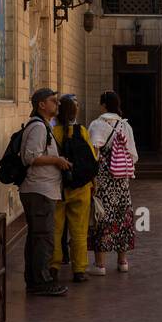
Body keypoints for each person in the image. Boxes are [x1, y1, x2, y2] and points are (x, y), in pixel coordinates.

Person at [19, 87, 71, 296]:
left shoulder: (43, 126)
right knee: (43, 237)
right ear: (41, 104)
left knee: (37, 236)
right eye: (53, 101)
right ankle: (42, 281)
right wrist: (57, 161)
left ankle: (34, 280)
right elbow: (31, 157)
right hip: (39, 190)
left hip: (41, 190)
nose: (57, 104)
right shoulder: (39, 127)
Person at [87, 90, 138, 274]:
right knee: (122, 217)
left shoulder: (97, 125)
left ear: (103, 105)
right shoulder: (126, 126)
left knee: (102, 216)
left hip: (103, 178)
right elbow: (134, 155)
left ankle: (100, 265)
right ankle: (122, 262)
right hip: (122, 179)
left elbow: (92, 152)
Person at [51, 95, 97, 283]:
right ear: (74, 112)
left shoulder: (53, 132)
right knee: (79, 230)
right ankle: (79, 269)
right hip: (81, 187)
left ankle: (53, 266)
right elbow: (91, 159)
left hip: (58, 187)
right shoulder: (82, 131)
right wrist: (93, 182)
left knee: (55, 229)